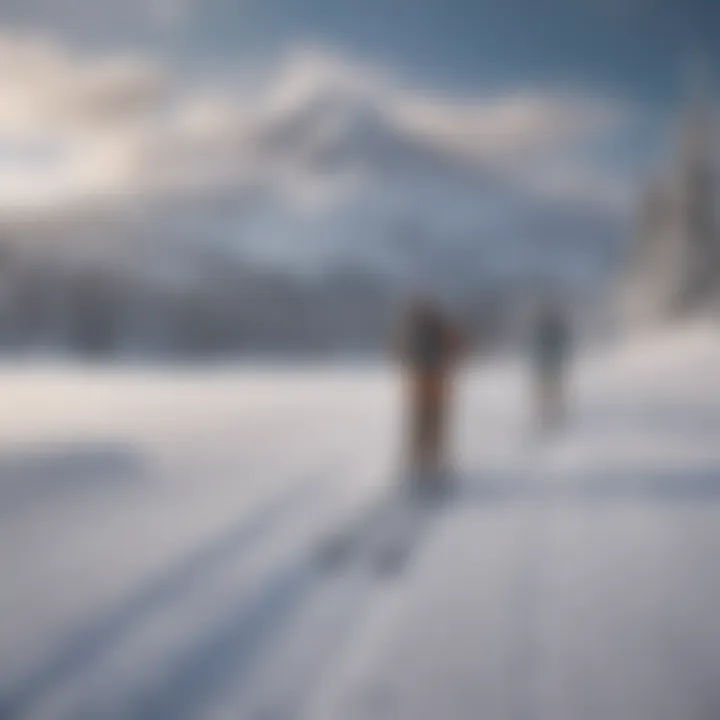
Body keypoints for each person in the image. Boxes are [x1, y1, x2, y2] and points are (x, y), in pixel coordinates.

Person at [396, 296, 466, 493]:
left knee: (419, 428)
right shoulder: (440, 328)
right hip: (436, 386)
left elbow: (401, 352)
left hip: (420, 386)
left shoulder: (413, 328)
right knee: (434, 428)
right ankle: (432, 468)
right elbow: (455, 349)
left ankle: (418, 468)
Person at [531, 303, 571, 434]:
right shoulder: (547, 331)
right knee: (549, 391)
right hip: (548, 365)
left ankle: (552, 415)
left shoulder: (548, 331)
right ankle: (550, 415)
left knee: (550, 391)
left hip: (550, 365)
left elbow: (562, 345)